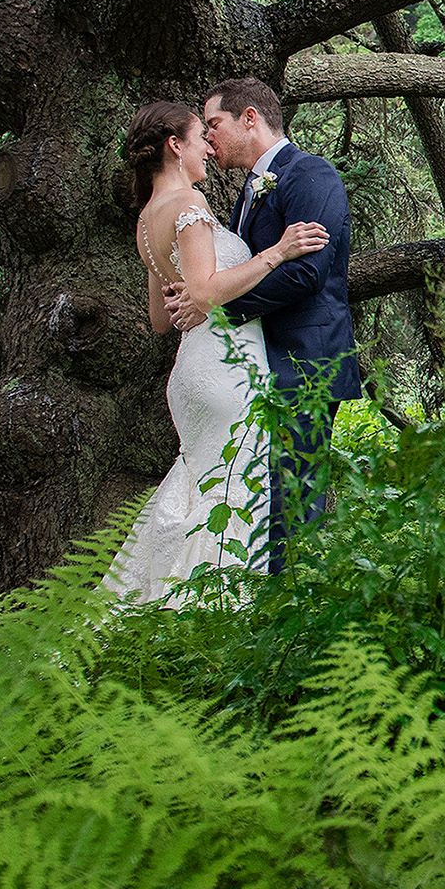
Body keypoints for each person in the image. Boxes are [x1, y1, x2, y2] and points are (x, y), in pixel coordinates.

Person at [109, 101, 329, 604]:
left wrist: (195, 292)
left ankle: (167, 602)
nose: (209, 146)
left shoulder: (147, 220)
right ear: (175, 146)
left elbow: (163, 318)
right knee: (234, 491)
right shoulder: (188, 203)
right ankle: (215, 615)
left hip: (191, 372)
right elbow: (206, 292)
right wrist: (278, 251)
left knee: (205, 487)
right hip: (224, 370)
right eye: (199, 137)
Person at [166, 77, 361, 572]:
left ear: (249, 118)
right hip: (264, 365)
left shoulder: (311, 175)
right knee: (262, 496)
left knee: (293, 499)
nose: (208, 139)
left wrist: (217, 310)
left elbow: (306, 272)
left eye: (214, 125)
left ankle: (292, 612)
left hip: (305, 363)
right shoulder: (251, 190)